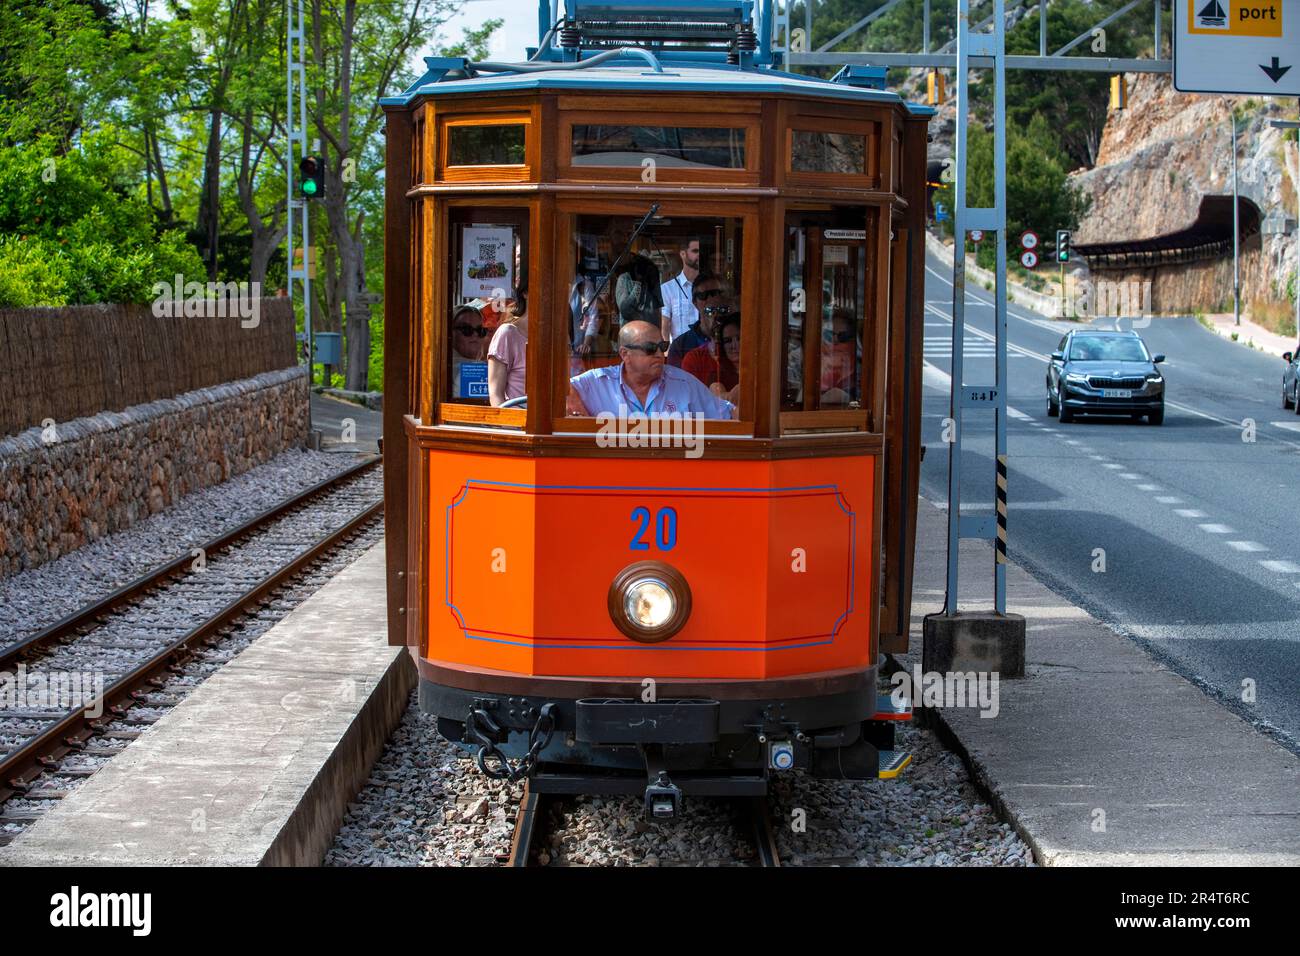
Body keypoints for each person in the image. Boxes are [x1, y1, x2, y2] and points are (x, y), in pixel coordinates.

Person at [568, 320, 736, 420]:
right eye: (650, 348)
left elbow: (730, 415)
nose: (659, 354)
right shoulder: (598, 383)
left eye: (662, 346)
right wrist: (580, 414)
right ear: (625, 354)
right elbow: (560, 388)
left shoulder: (685, 384)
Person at [666, 273, 728, 367]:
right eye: (703, 295)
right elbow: (675, 379)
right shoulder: (680, 345)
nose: (710, 299)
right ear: (695, 302)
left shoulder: (734, 338)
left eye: (715, 293)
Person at [681, 314, 740, 404]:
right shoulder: (716, 374)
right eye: (728, 341)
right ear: (721, 346)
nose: (735, 345)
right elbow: (718, 399)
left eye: (739, 338)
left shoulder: (761, 367)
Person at [488, 280, 527, 406]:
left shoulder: (559, 336)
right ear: (525, 293)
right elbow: (496, 396)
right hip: (518, 422)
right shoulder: (508, 334)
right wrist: (508, 424)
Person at [659, 237, 701, 342]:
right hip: (680, 352)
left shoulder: (708, 287)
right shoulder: (667, 289)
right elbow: (664, 326)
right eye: (695, 251)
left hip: (706, 351)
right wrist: (666, 355)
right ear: (683, 254)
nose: (699, 255)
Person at [820, 307, 860, 406]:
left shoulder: (853, 351)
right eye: (830, 334)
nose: (835, 339)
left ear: (850, 335)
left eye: (842, 335)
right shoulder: (825, 350)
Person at [450, 303, 489, 400]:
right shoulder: (472, 369)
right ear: (450, 333)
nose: (475, 335)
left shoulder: (484, 366)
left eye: (480, 330)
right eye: (466, 329)